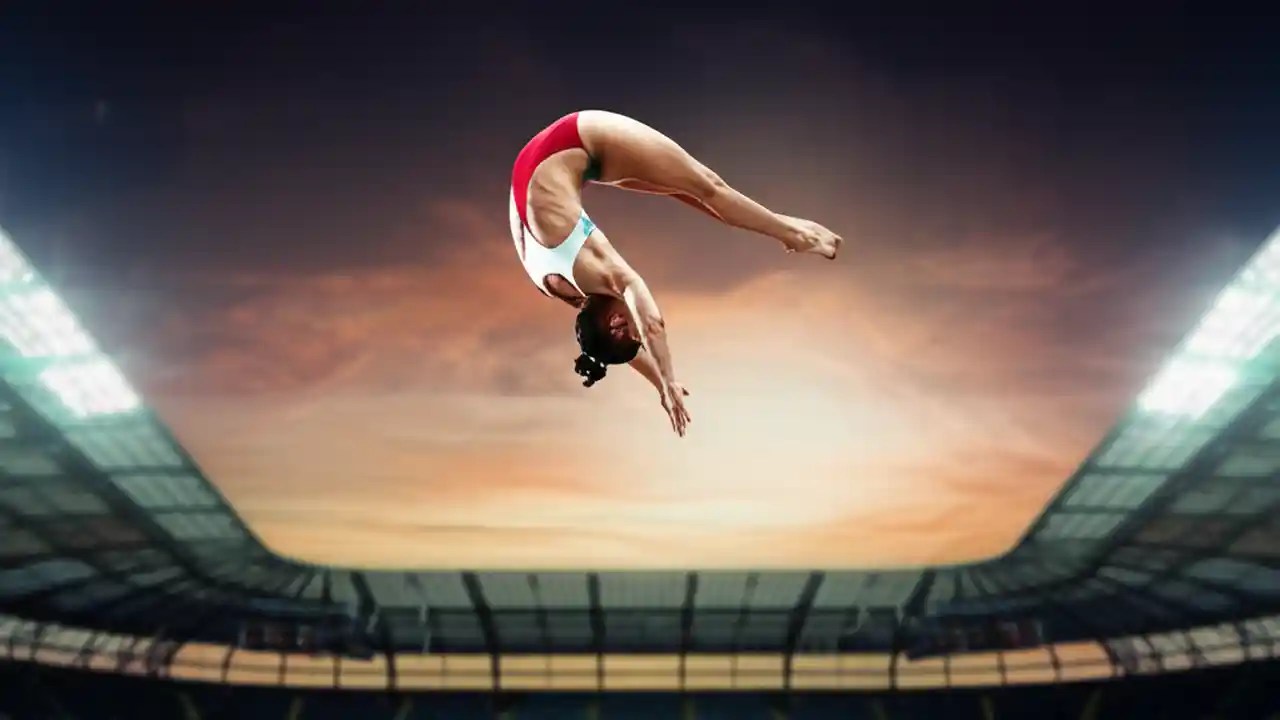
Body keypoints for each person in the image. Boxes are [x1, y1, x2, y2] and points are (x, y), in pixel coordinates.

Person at [508, 110, 843, 437]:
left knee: (709, 186)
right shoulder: (567, 292)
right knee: (687, 190)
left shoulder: (604, 272)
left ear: (616, 323)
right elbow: (626, 346)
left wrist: (668, 379)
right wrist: (659, 386)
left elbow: (651, 323)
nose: (639, 329)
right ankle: (786, 230)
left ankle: (792, 234)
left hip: (581, 136)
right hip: (544, 161)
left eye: (632, 330)